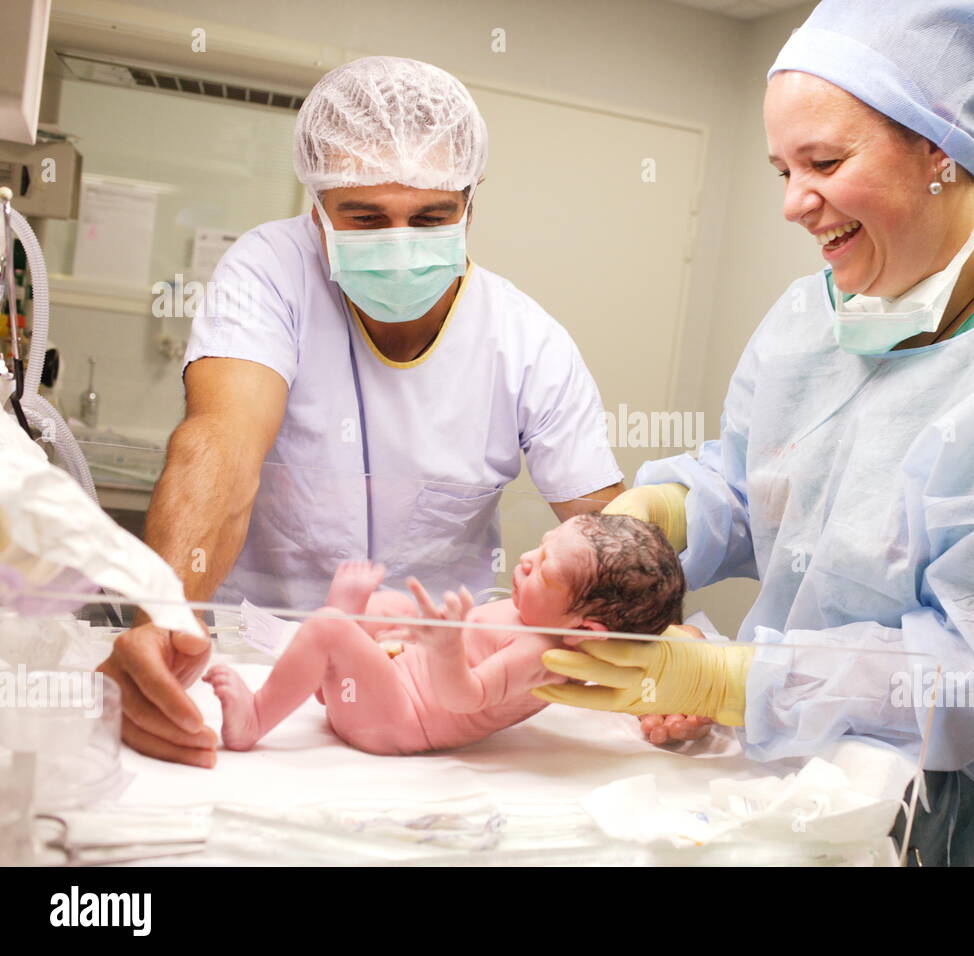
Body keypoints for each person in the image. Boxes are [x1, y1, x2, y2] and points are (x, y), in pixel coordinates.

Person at [537, 0, 974, 865]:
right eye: (780, 169)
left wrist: (734, 680)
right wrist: (655, 520)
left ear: (939, 152)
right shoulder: (813, 314)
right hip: (817, 789)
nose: (793, 204)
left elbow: (970, 675)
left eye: (825, 161)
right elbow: (745, 477)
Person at [99, 57, 624, 768]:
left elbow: (612, 542)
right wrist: (164, 615)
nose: (401, 243)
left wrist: (663, 650)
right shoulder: (270, 272)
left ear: (472, 203)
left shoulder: (527, 344)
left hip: (431, 695)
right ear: (316, 208)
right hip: (256, 668)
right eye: (366, 217)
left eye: (433, 217)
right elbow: (218, 446)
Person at [203, 514, 684, 753]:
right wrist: (424, 635)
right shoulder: (535, 619)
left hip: (395, 718)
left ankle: (256, 718)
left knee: (331, 626)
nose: (525, 561)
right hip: (384, 686)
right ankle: (335, 669)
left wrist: (444, 649)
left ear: (586, 629)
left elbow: (465, 697)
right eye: (539, 549)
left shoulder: (540, 655)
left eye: (544, 570)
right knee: (389, 605)